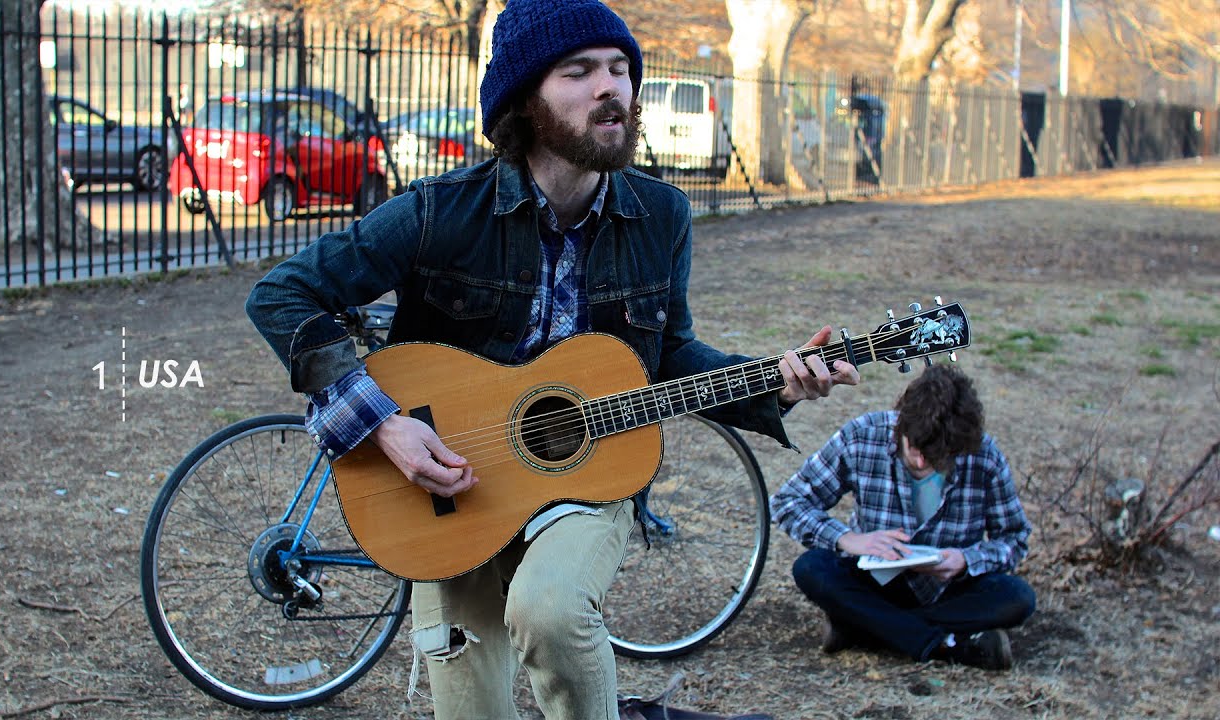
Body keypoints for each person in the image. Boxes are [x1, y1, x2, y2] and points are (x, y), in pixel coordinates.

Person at [246, 0, 859, 716]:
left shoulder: (661, 216)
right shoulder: (442, 211)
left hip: (590, 472)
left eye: (621, 69)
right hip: (451, 483)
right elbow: (283, 295)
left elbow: (669, 354)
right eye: (581, 71)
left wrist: (775, 384)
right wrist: (384, 424)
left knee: (551, 612)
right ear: (525, 99)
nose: (612, 88)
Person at [769, 364, 1035, 671]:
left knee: (1018, 597)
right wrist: (849, 539)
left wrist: (966, 560)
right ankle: (947, 643)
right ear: (902, 423)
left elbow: (1014, 539)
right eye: (915, 447)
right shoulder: (863, 435)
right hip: (875, 581)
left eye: (936, 456)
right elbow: (788, 502)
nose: (921, 460)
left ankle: (864, 626)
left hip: (948, 590)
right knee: (811, 568)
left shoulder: (984, 455)